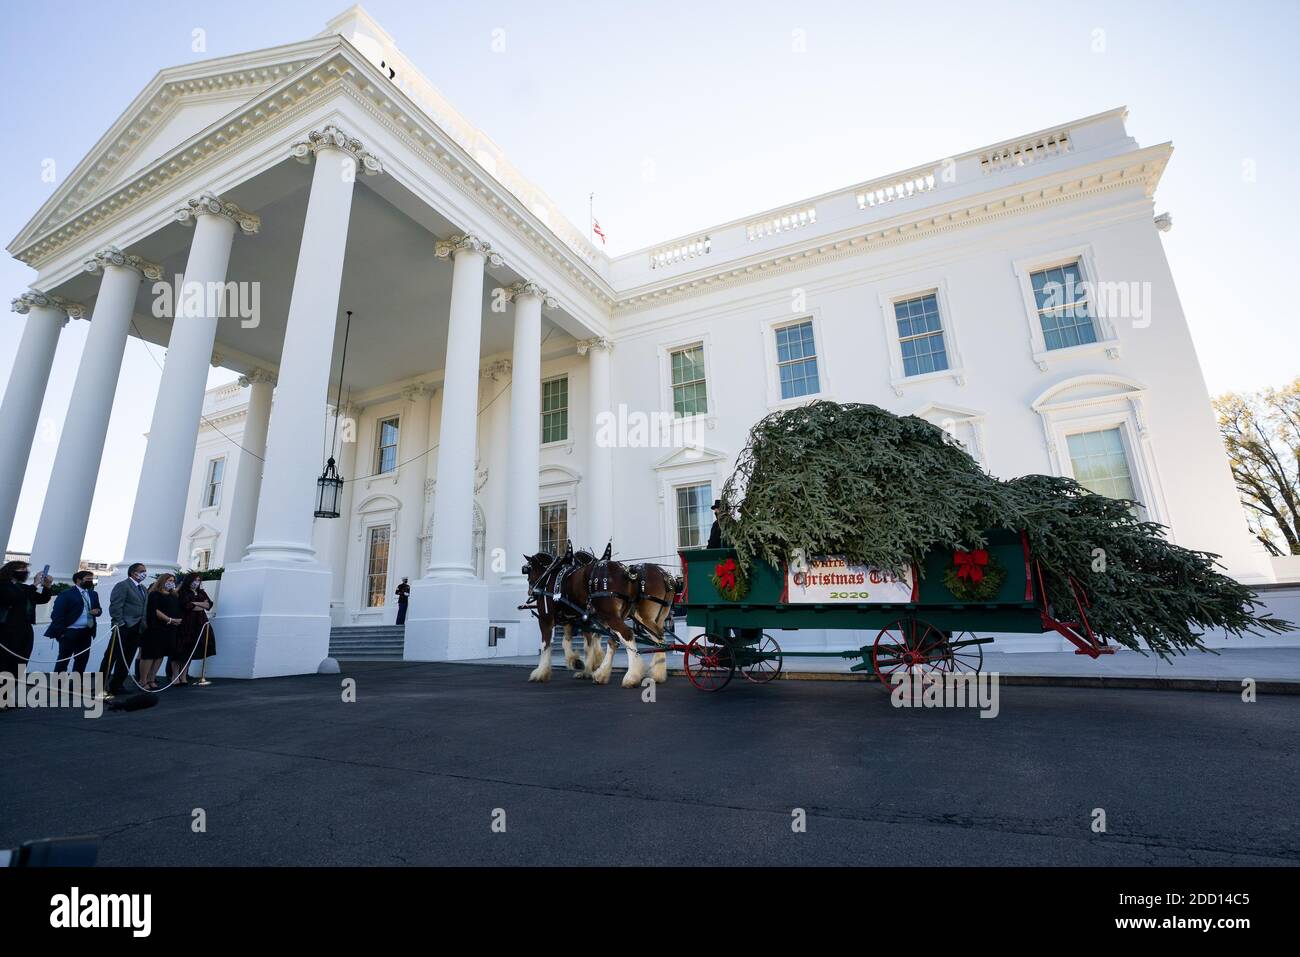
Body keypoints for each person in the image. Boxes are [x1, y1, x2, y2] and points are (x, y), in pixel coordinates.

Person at [0, 561, 54, 703]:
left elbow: (41, 599)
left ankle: (5, 697)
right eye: (22, 568)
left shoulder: (23, 588)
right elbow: (14, 598)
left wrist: (47, 587)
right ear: (11, 570)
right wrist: (35, 585)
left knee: (20, 664)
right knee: (4, 663)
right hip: (7, 630)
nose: (25, 571)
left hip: (25, 629)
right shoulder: (3, 586)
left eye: (26, 569)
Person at [104, 563, 150, 695]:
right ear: (132, 572)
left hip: (137, 627)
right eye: (141, 571)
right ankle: (101, 684)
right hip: (123, 627)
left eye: (145, 571)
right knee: (111, 656)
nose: (144, 573)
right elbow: (116, 605)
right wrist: (120, 622)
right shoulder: (123, 585)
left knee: (127, 657)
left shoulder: (143, 588)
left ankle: (117, 684)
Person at [45, 569, 101, 675]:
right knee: (63, 660)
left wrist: (97, 611)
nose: (90, 581)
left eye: (91, 579)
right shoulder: (66, 594)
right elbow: (56, 615)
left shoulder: (93, 594)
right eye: (88, 579)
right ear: (78, 580)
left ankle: (75, 686)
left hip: (86, 632)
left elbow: (98, 609)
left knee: (82, 661)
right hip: (69, 632)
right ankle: (57, 686)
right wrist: (62, 633)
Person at [171, 572, 215, 685]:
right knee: (180, 650)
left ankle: (184, 675)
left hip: (199, 623)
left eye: (199, 580)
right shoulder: (183, 592)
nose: (197, 582)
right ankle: (175, 676)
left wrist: (195, 603)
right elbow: (186, 606)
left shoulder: (201, 592)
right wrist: (200, 605)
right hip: (186, 624)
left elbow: (209, 605)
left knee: (190, 650)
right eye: (195, 579)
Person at [139, 573, 181, 691]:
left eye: (173, 580)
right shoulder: (154, 594)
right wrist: (169, 619)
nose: (171, 582)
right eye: (169, 580)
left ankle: (152, 678)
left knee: (160, 654)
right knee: (149, 654)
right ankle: (143, 680)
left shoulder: (173, 595)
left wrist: (176, 621)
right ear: (162, 581)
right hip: (155, 628)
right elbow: (154, 610)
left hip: (169, 629)